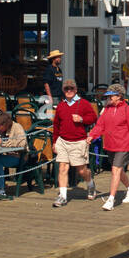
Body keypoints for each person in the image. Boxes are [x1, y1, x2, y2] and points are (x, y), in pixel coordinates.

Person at [87, 84, 129, 210]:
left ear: (119, 96)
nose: (109, 98)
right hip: (110, 144)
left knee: (115, 170)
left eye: (112, 96)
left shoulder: (128, 110)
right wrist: (92, 135)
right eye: (108, 96)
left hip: (124, 144)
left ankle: (111, 199)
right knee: (119, 170)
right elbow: (100, 125)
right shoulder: (107, 109)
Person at [51, 79, 98, 207]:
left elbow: (93, 117)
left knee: (81, 170)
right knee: (63, 167)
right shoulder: (61, 105)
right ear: (63, 90)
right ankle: (62, 196)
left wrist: (82, 119)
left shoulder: (83, 103)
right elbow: (56, 125)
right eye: (67, 89)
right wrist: (54, 141)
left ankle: (90, 184)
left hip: (78, 141)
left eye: (71, 88)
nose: (69, 91)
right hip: (63, 141)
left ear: (76, 90)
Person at [0, 111, 27, 201]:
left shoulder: (17, 127)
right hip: (5, 154)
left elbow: (22, 144)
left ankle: (0, 189)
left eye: (0, 126)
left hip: (18, 157)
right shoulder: (0, 129)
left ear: (6, 124)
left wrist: (3, 143)